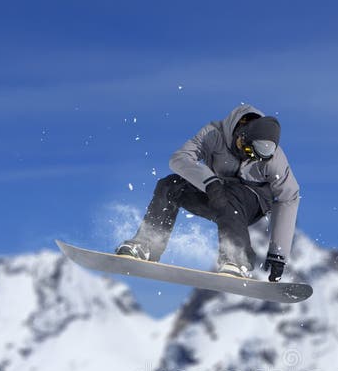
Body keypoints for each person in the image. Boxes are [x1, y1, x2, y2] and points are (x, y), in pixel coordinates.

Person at [115, 104, 300, 281]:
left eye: (255, 158)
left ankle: (237, 259)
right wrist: (209, 182)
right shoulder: (213, 134)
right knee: (170, 185)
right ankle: (147, 244)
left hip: (251, 203)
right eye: (246, 150)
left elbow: (288, 197)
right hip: (215, 193)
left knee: (233, 194)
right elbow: (179, 158)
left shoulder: (275, 159)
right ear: (241, 134)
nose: (247, 157)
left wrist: (279, 253)